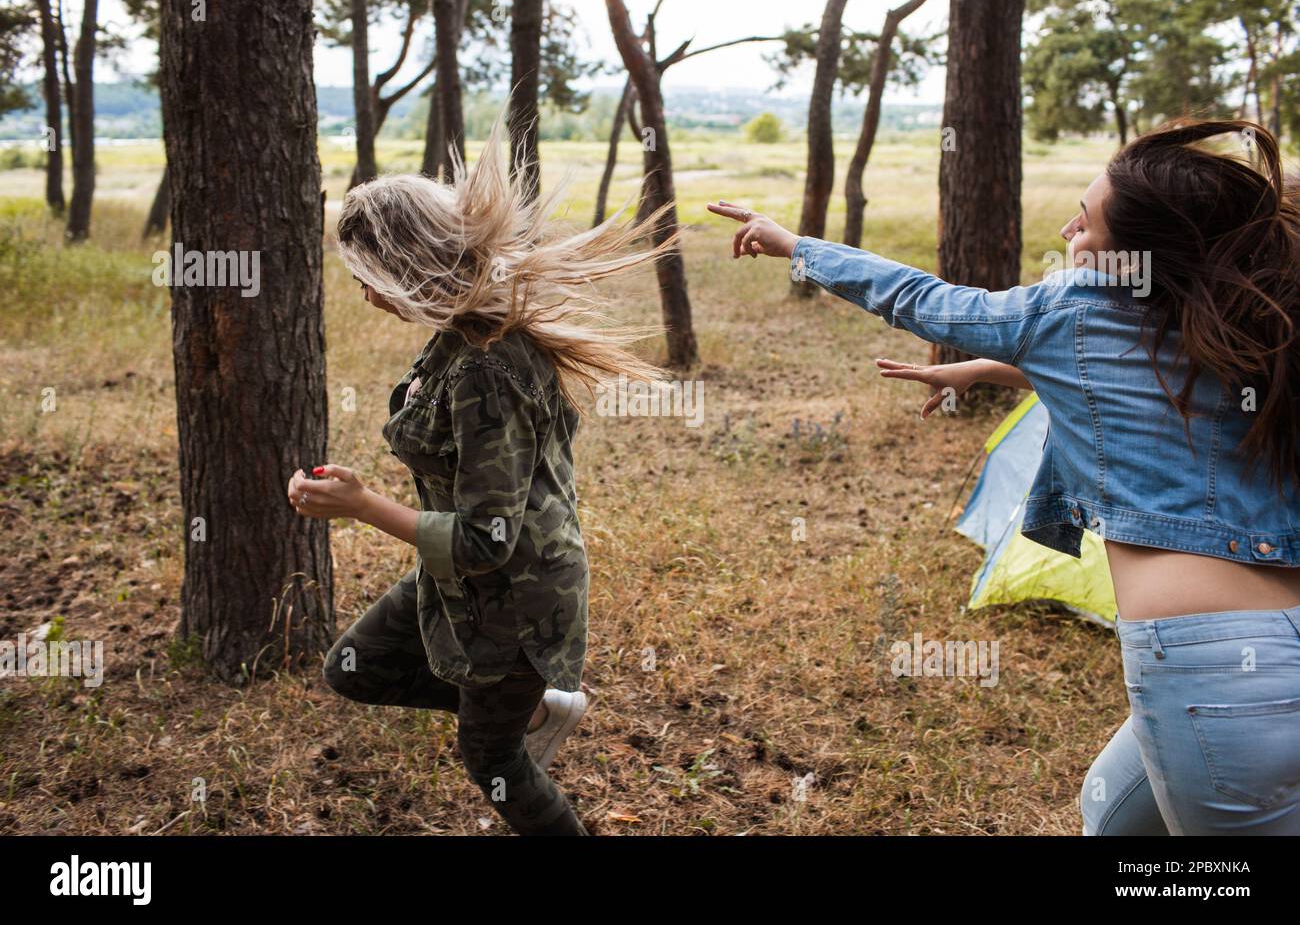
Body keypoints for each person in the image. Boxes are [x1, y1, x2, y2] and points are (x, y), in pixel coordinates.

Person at [707, 118, 1300, 835]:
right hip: (1273, 651)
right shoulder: (1243, 320)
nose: (1064, 231)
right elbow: (1134, 380)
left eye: (1083, 225)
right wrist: (995, 367)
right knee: (1111, 814)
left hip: (1208, 674)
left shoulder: (1066, 309)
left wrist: (794, 245)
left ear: (1134, 254)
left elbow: (923, 301)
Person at [288, 112, 674, 835]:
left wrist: (361, 503)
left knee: (492, 761)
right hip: (457, 580)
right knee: (352, 668)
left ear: (408, 265)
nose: (365, 294)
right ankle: (531, 707)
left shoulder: (488, 365)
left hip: (516, 595)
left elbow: (486, 540)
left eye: (369, 277)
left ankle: (517, 716)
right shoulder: (457, 335)